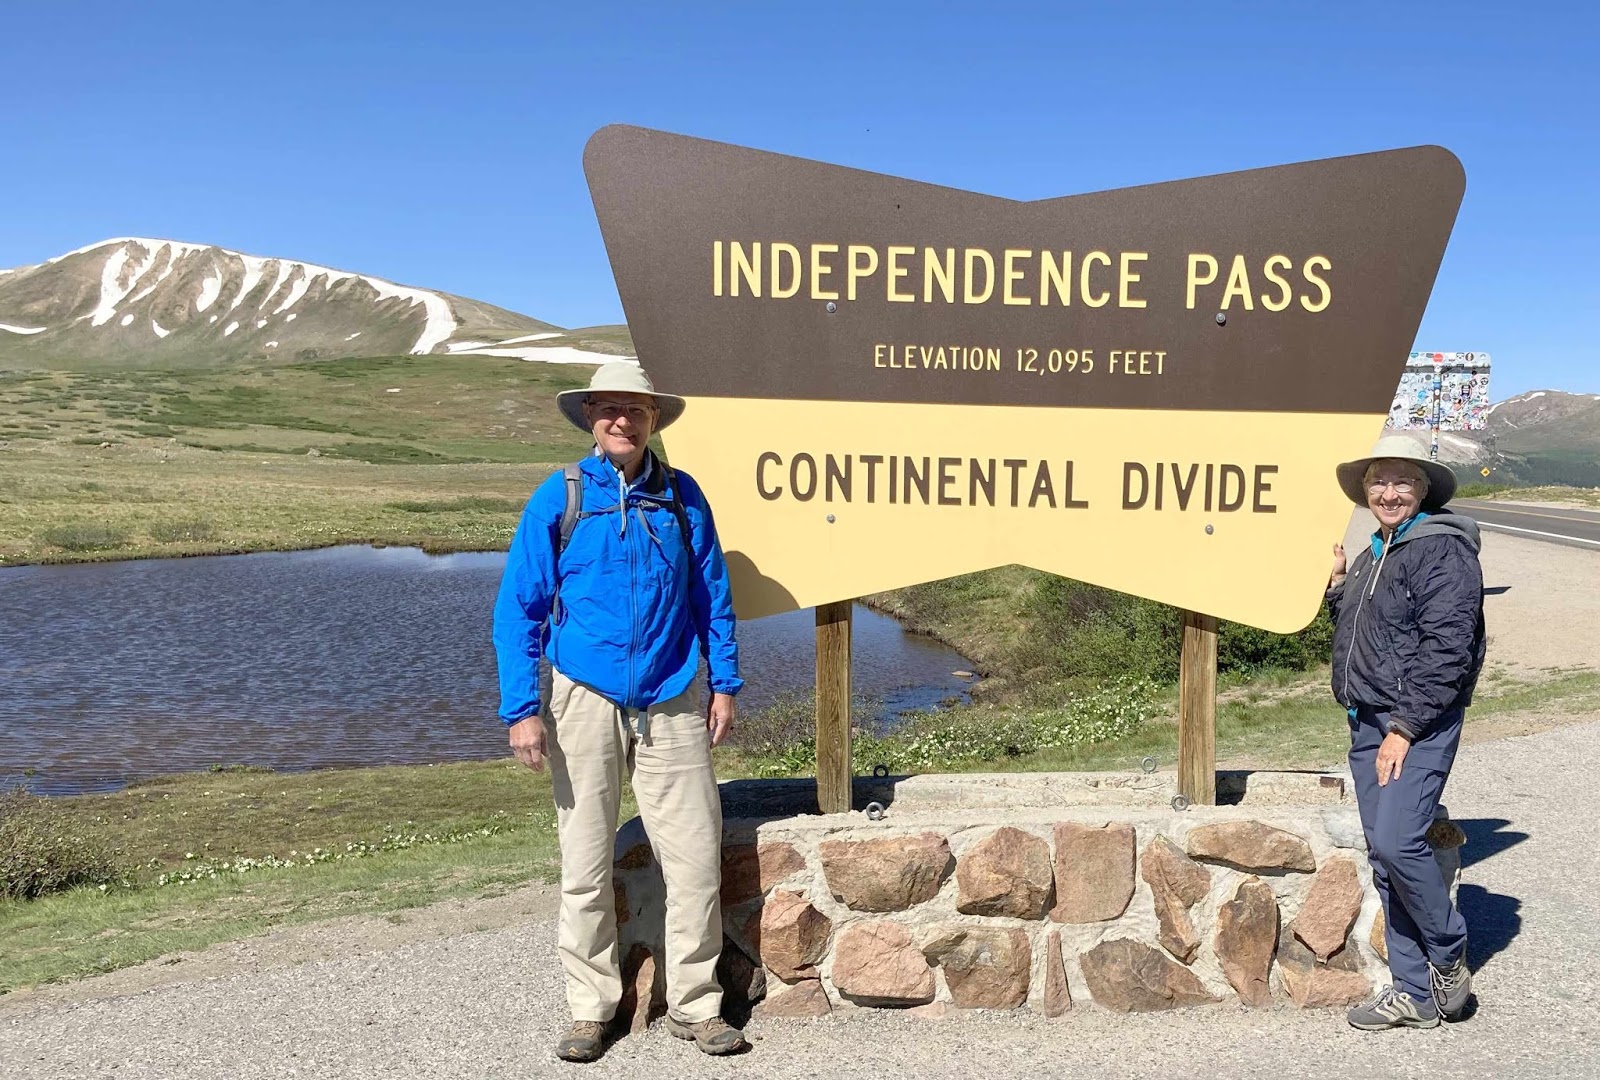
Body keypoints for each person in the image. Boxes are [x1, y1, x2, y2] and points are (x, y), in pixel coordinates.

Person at [492, 361, 746, 1062]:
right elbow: (519, 610)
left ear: (653, 419)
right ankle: (590, 1009)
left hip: (672, 694)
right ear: (590, 418)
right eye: (608, 408)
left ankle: (697, 1006)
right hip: (582, 694)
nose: (621, 420)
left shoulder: (683, 496)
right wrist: (522, 709)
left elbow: (712, 596)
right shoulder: (561, 495)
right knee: (584, 861)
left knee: (693, 860)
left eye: (635, 408)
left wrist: (724, 682)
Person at [1327, 434, 1484, 1031]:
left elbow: (1448, 649)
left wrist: (1404, 728)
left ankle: (1447, 953)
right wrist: (1339, 587)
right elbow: (1370, 636)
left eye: (1402, 481)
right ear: (1366, 489)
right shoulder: (1377, 550)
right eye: (1378, 481)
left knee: (1398, 842)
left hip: (1414, 723)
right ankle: (1414, 993)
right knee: (1384, 858)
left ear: (1423, 489)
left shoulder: (1441, 550)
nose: (1389, 493)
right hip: (1368, 721)